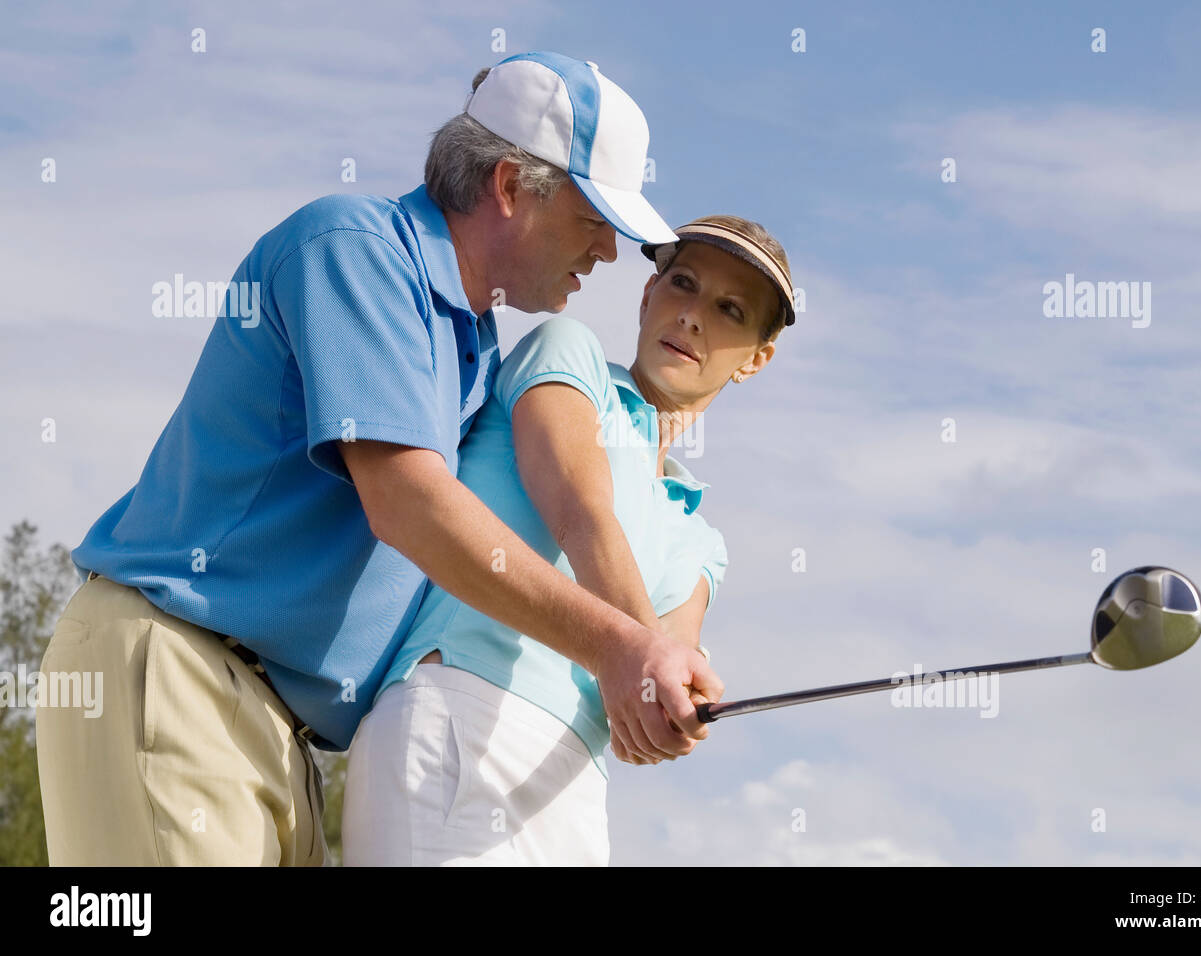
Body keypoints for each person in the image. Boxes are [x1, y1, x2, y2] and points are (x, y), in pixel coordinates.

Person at [36, 51, 723, 866]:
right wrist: (618, 646)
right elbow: (408, 502)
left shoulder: (473, 347)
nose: (609, 252)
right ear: (509, 187)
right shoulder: (357, 250)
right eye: (593, 218)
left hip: (276, 731)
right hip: (181, 667)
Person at [342, 215, 797, 865]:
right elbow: (578, 503)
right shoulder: (568, 351)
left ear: (756, 358)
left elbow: (664, 665)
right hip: (462, 716)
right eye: (683, 284)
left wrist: (674, 707)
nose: (693, 316)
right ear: (647, 296)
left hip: (572, 781)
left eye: (729, 309)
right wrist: (647, 659)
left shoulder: (701, 541)